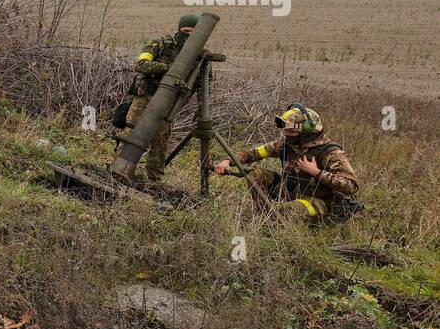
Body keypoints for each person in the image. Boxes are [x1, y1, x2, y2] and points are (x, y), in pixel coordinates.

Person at [214, 104, 361, 222]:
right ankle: (264, 215)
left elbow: (351, 185)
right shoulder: (286, 144)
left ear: (306, 133)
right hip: (292, 191)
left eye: (290, 132)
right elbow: (253, 153)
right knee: (254, 173)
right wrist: (228, 161)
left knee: (283, 212)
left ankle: (276, 218)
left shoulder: (330, 153)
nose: (286, 134)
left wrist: (315, 172)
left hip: (320, 201)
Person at [126, 13, 198, 182]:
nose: (188, 36)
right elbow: (140, 64)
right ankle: (121, 169)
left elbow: (203, 83)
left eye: (193, 33)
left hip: (168, 104)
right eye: (186, 31)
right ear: (179, 29)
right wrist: (167, 68)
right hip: (145, 98)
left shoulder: (198, 55)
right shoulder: (160, 44)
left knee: (160, 142)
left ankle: (153, 180)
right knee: (132, 133)